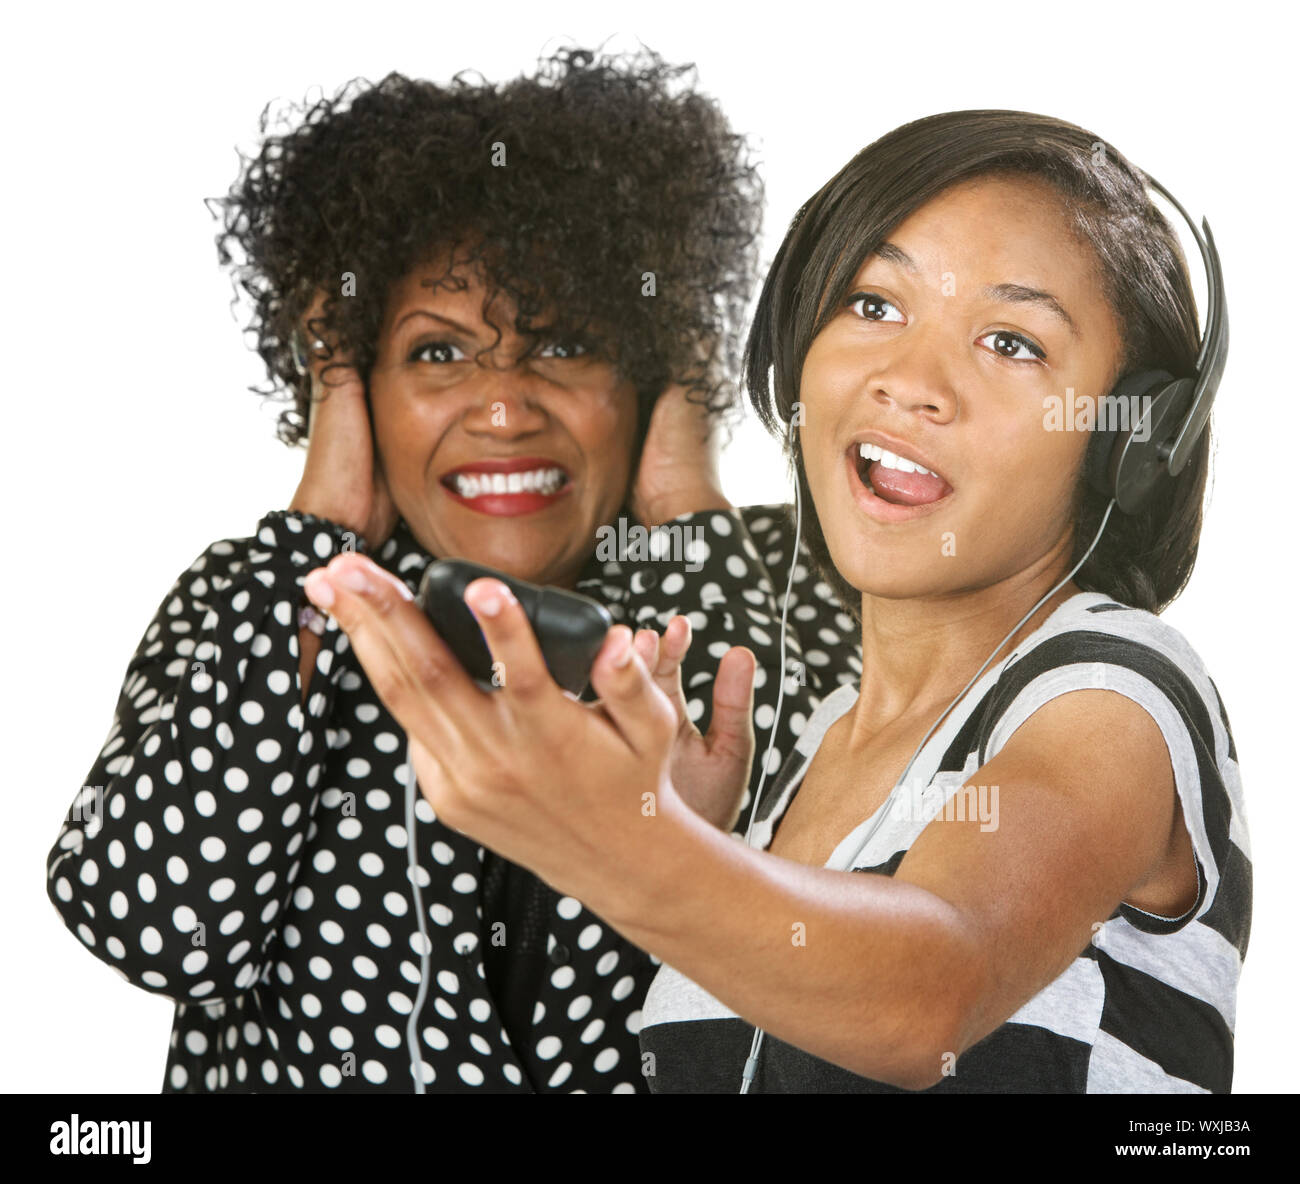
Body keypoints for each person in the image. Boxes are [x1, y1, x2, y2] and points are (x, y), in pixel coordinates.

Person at [308, 109, 1249, 1093]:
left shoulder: (1115, 694)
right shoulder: (808, 745)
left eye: (1010, 340)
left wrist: (630, 850)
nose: (908, 381)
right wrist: (687, 833)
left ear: (1129, 441)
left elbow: (931, 989)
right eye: (875, 305)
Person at [44, 48, 862, 1093]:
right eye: (436, 352)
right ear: (352, 382)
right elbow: (157, 926)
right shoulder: (257, 598)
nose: (506, 406)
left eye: (563, 344)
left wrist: (682, 526)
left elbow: (837, 911)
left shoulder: (802, 575)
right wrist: (321, 530)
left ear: (654, 373)